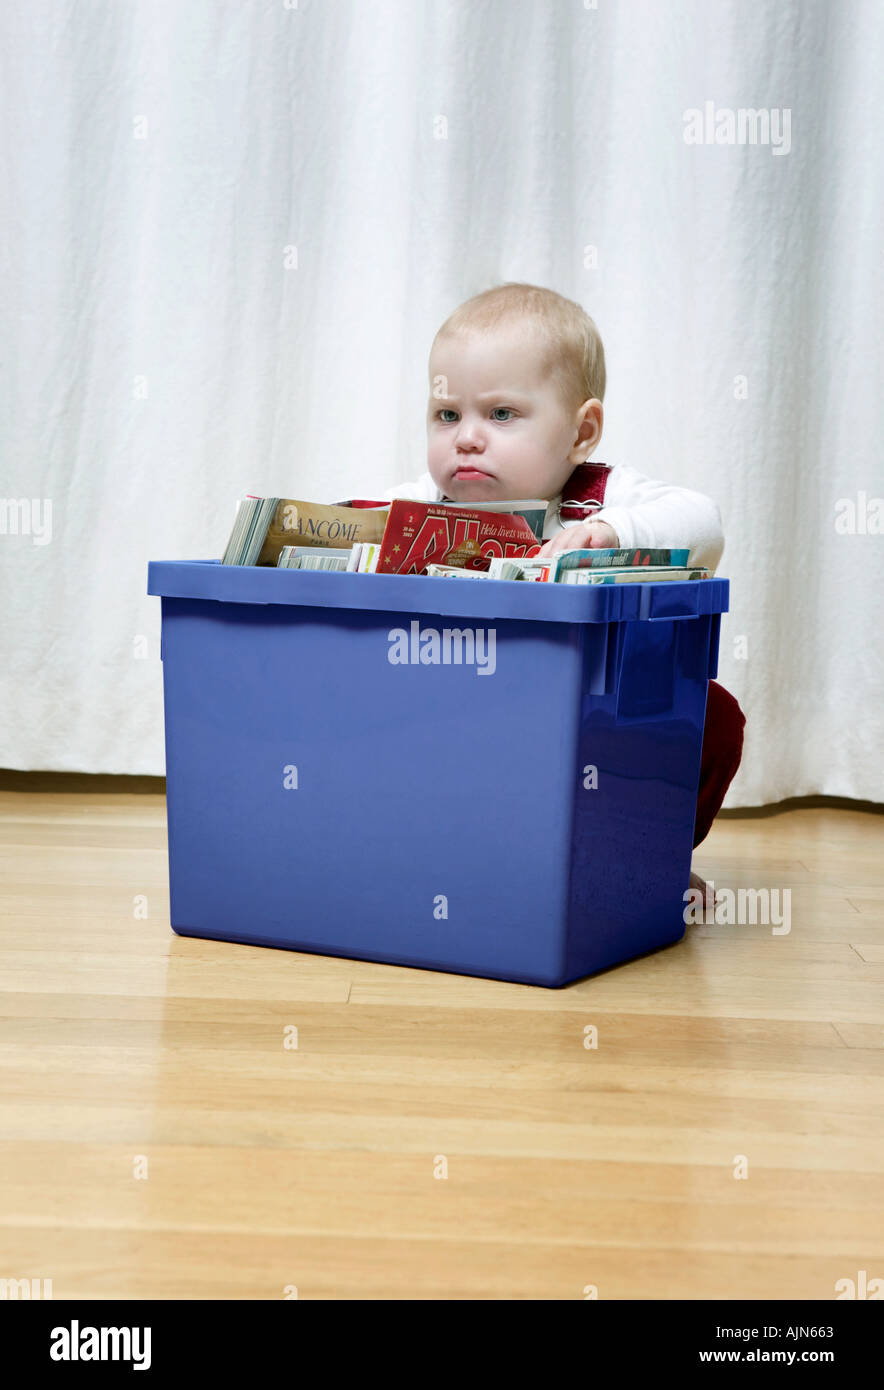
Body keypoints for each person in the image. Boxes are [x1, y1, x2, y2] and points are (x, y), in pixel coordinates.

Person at [376, 282, 745, 860]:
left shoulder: (603, 496)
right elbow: (352, 527)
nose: (467, 438)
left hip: (581, 724)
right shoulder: (423, 502)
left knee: (713, 714)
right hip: (457, 723)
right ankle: (434, 851)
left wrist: (615, 532)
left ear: (581, 433)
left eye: (501, 414)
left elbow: (705, 524)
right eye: (447, 414)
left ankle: (650, 856)